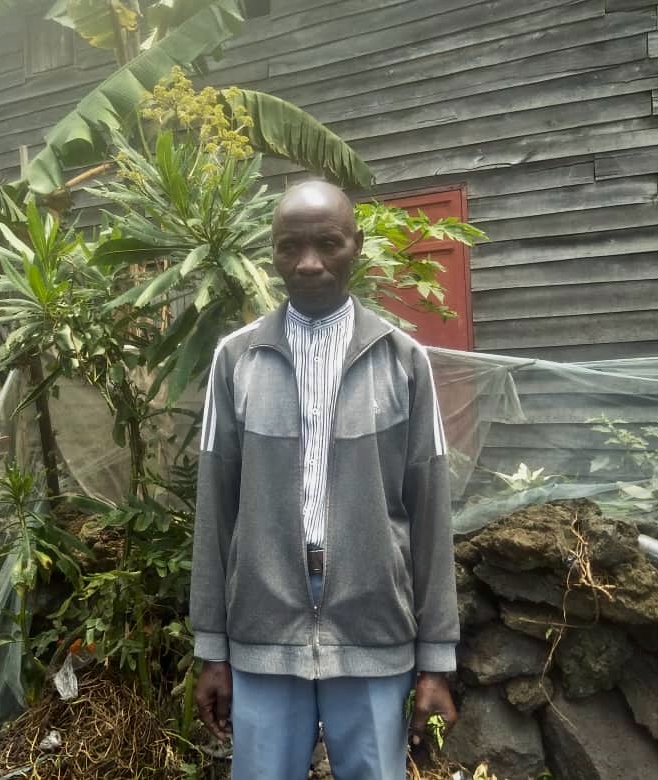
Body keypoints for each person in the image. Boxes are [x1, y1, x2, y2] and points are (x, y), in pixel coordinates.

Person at [190, 180, 459, 780]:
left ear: (356, 246)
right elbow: (215, 510)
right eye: (290, 248)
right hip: (263, 632)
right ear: (273, 253)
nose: (309, 264)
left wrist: (435, 660)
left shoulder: (403, 361)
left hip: (374, 632)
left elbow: (431, 508)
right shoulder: (237, 361)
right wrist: (212, 647)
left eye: (328, 244)